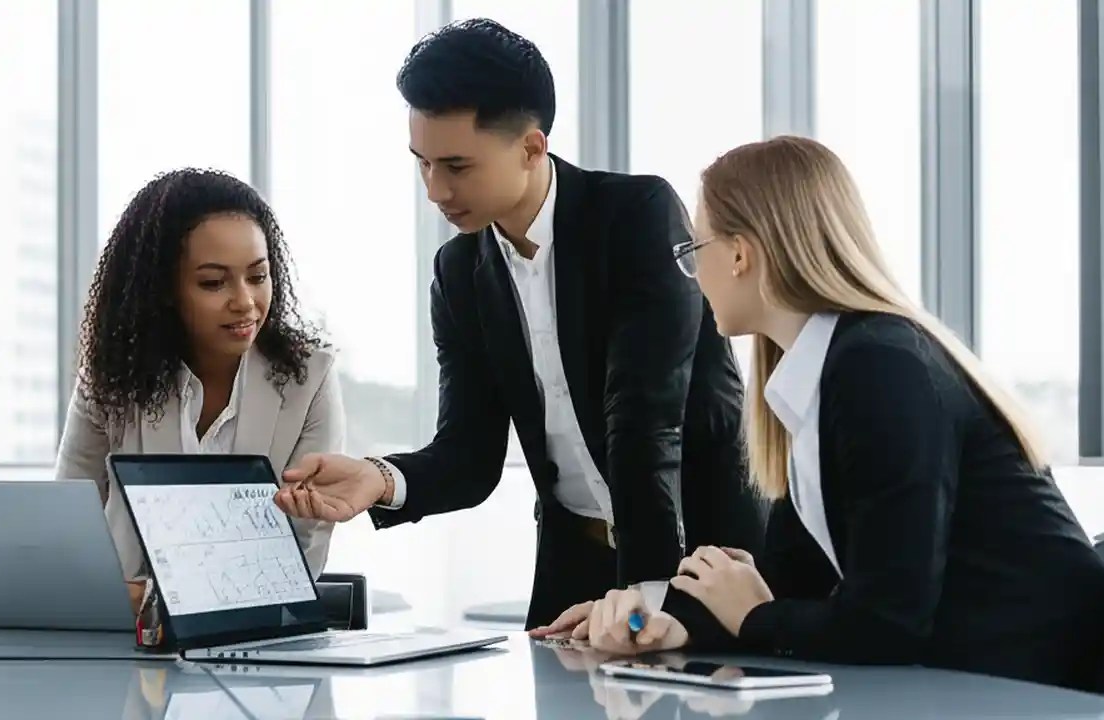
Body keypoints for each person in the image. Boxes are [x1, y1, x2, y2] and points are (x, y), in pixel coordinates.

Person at [561, 136, 1104, 690]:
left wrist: (753, 618)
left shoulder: (879, 370)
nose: (694, 274)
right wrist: (664, 621)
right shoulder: (816, 379)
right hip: (986, 681)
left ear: (739, 254)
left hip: (1063, 689)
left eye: (694, 251)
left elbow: (886, 622)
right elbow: (794, 583)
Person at [275, 18, 765, 630]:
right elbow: (470, 455)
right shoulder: (459, 272)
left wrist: (643, 600)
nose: (435, 190)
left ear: (531, 148)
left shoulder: (636, 216)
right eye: (422, 164)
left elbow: (645, 422)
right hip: (574, 567)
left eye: (456, 166)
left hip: (705, 564)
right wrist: (378, 478)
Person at [55, 168, 343, 610]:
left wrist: (148, 600)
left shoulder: (310, 378)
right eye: (213, 282)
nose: (245, 302)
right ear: (163, 290)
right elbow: (69, 530)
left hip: (253, 637)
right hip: (115, 633)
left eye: (258, 276)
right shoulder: (111, 376)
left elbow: (301, 554)